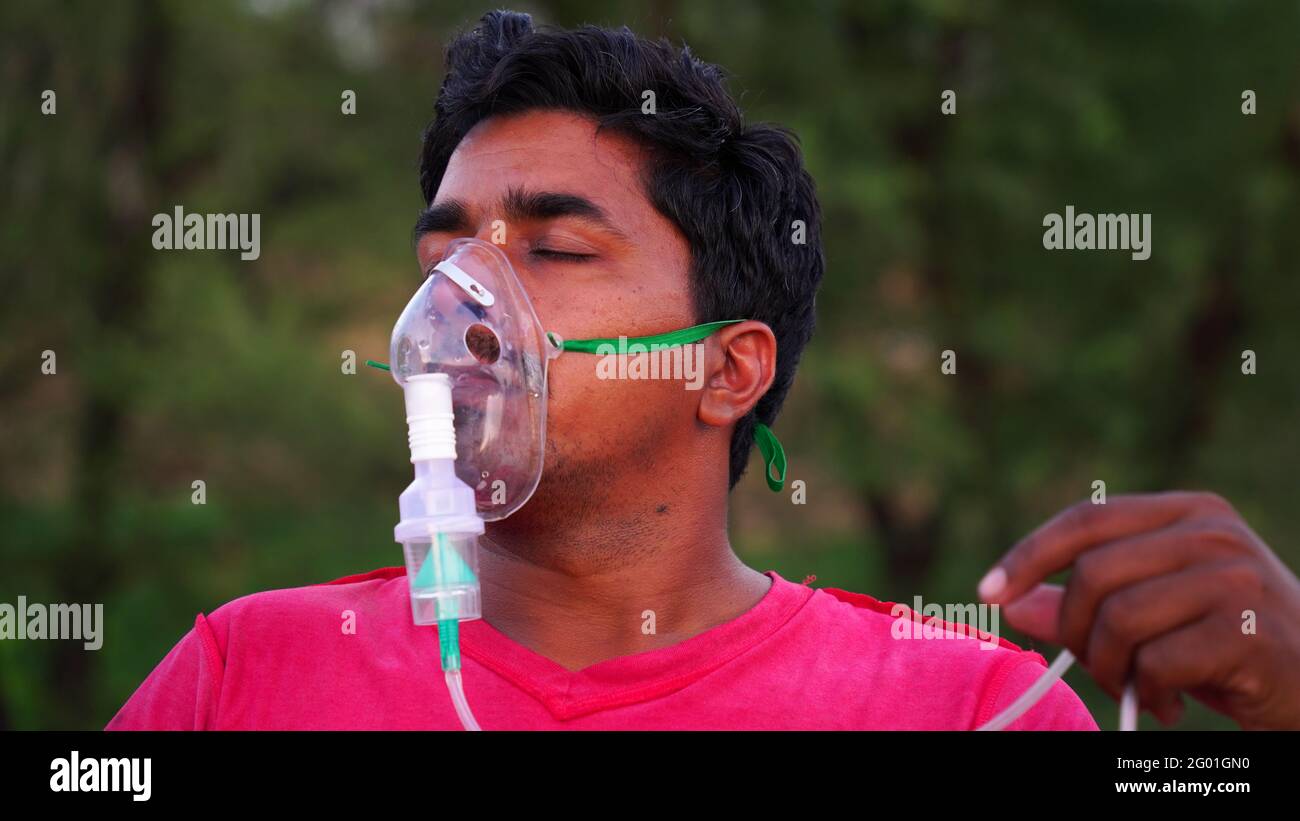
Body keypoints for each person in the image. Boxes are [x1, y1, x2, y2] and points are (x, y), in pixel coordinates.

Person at [107, 10, 1300, 730]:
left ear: (728, 369)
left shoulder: (966, 708)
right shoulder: (246, 673)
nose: (457, 308)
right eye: (442, 255)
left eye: (556, 248)